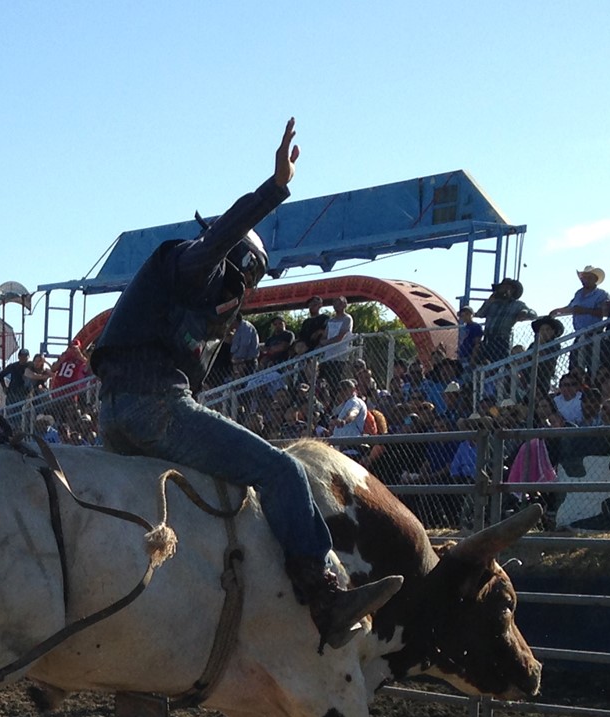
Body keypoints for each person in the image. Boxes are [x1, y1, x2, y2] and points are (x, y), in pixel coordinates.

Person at [88, 117, 402, 650]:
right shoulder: (193, 266)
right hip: (157, 405)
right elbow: (219, 239)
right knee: (280, 471)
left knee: (159, 523)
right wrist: (275, 188)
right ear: (243, 269)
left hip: (116, 412)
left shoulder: (194, 307)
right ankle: (326, 593)